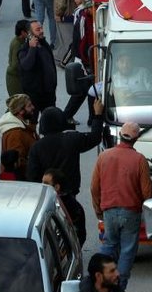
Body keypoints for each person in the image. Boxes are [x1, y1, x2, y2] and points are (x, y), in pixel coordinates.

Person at [26, 102, 106, 245]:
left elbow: (32, 176)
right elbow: (95, 137)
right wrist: (98, 115)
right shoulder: (72, 139)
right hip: (69, 195)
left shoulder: (36, 148)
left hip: (46, 197)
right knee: (75, 227)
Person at [91, 121, 152, 292]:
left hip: (109, 210)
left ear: (119, 136)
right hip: (131, 212)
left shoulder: (104, 157)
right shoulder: (139, 159)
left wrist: (98, 209)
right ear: (137, 139)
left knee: (109, 244)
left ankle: (98, 282)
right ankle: (119, 291)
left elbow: (95, 187)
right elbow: (147, 192)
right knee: (127, 250)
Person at [0, 93, 39, 178]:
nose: (33, 107)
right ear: (20, 111)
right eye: (29, 106)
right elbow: (17, 163)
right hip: (21, 182)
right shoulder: (15, 134)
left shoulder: (24, 126)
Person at [18, 19, 58, 111]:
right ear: (29, 33)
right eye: (38, 29)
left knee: (50, 119)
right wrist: (32, 48)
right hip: (35, 96)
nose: (42, 31)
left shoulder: (44, 44)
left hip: (49, 93)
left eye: (41, 28)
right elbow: (26, 65)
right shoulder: (24, 50)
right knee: (33, 121)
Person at [6, 20, 31, 96]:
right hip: (15, 78)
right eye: (29, 30)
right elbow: (15, 65)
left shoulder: (22, 41)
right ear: (23, 32)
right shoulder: (17, 44)